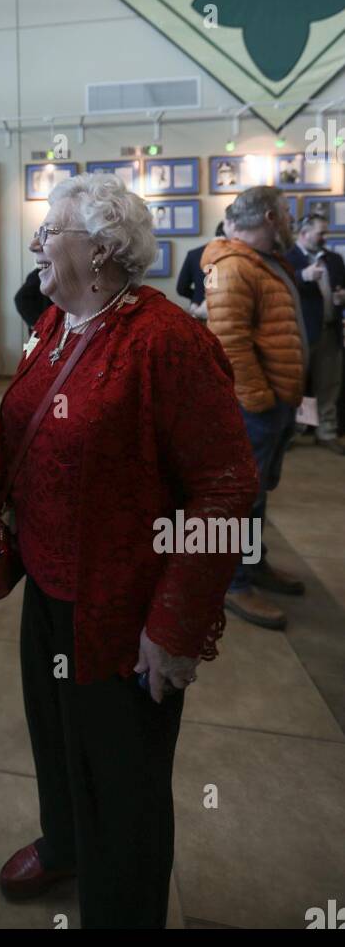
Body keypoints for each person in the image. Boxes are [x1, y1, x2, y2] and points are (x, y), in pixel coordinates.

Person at [0, 173, 256, 929]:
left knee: (126, 783)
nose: (34, 244)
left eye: (50, 232)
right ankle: (65, 844)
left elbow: (225, 489)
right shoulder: (56, 324)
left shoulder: (168, 341)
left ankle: (123, 904)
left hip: (126, 613)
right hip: (48, 590)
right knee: (55, 739)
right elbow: (18, 420)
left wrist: (175, 626)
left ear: (102, 250)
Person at [203, 186, 307, 630]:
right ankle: (234, 583)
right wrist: (260, 400)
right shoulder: (231, 266)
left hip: (274, 403)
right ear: (268, 216)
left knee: (258, 495)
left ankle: (253, 564)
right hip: (256, 407)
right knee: (242, 498)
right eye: (285, 212)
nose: (289, 219)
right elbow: (230, 345)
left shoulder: (262, 260)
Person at [286, 214, 345, 454]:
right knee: (296, 386)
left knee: (329, 384)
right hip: (299, 333)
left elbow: (340, 288)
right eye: (321, 232)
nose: (325, 237)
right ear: (304, 233)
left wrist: (341, 298)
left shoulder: (334, 259)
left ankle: (327, 432)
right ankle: (292, 432)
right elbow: (281, 287)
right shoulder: (287, 259)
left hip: (330, 332)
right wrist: (302, 276)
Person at [176, 220, 227, 320]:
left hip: (197, 310)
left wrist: (197, 297)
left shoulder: (193, 254)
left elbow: (181, 288)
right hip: (226, 312)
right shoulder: (237, 254)